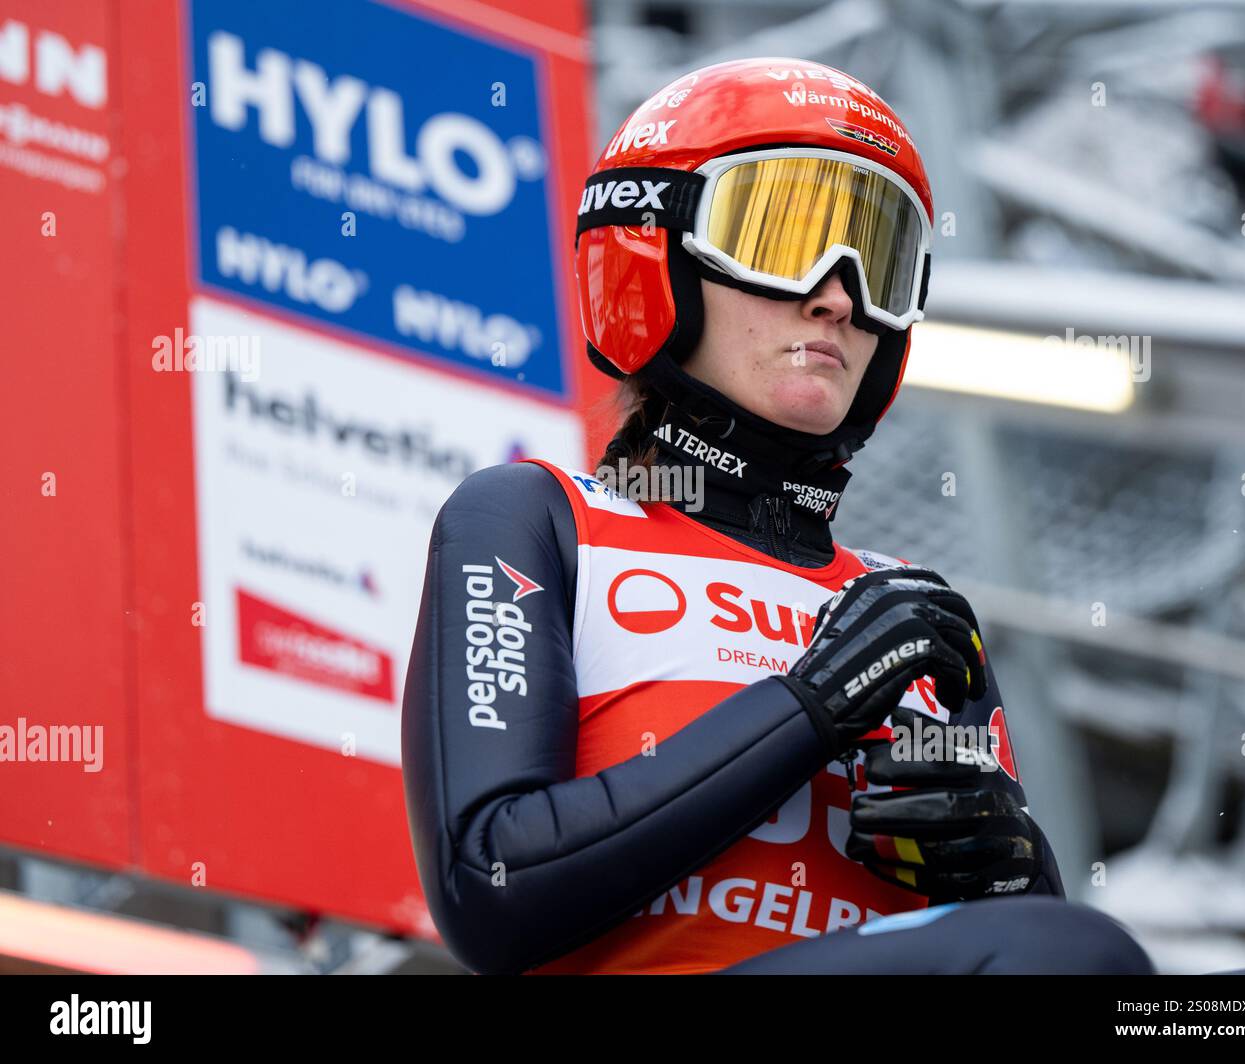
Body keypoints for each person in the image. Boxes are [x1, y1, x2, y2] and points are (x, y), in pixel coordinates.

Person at [401, 57, 1154, 975]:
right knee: (1060, 951)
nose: (837, 295)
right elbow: (493, 882)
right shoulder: (538, 519)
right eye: (780, 235)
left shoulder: (906, 610)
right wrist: (819, 701)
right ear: (654, 250)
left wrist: (1013, 866)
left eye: (875, 259)